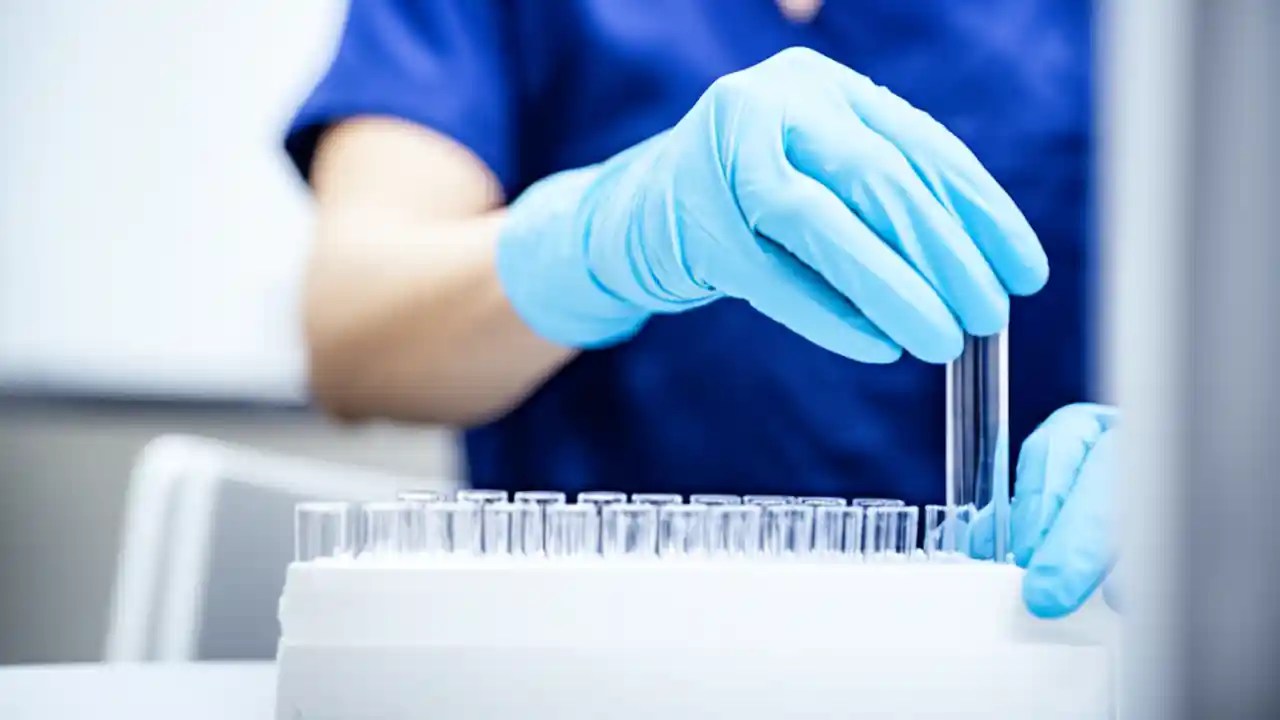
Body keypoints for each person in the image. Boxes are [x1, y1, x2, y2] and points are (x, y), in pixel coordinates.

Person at [285, 1, 1117, 617]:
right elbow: (354, 334)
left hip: (1008, 649)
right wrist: (605, 236)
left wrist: (1195, 474)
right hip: (583, 659)